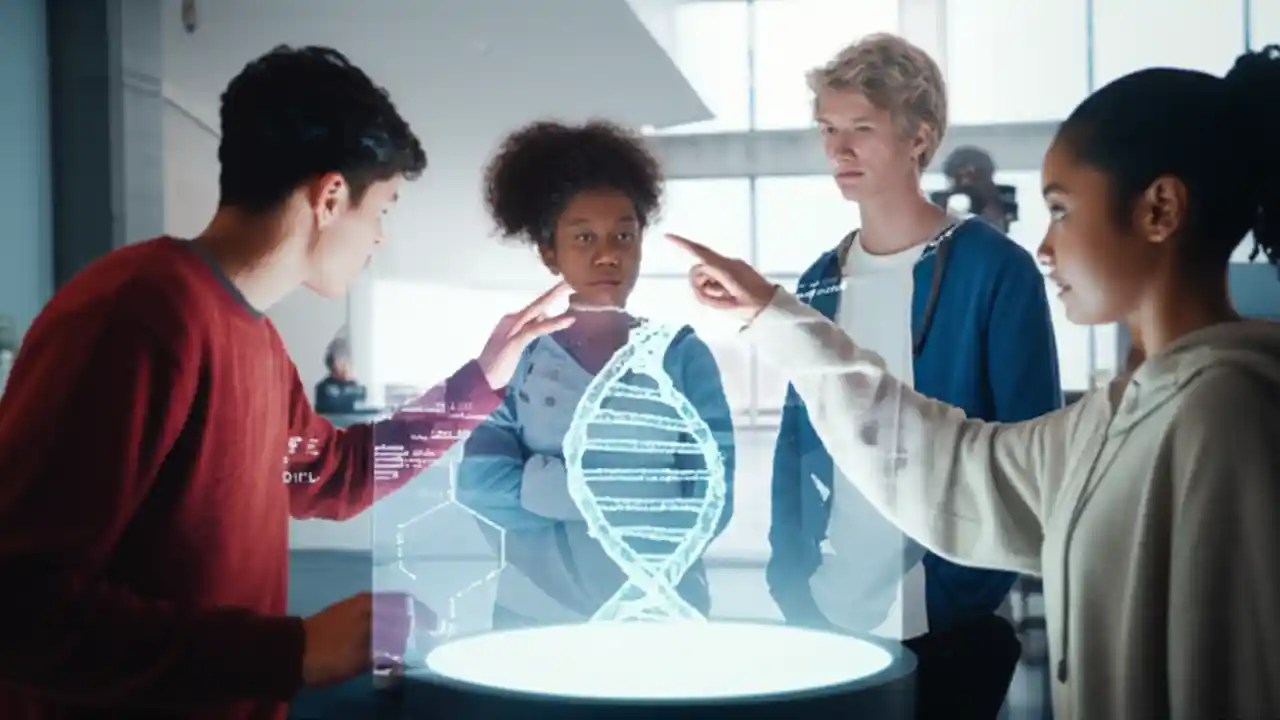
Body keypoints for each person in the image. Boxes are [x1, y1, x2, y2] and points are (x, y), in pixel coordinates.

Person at [670, 44, 1280, 720]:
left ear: (1160, 209)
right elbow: (953, 464)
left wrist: (946, 603)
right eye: (828, 130)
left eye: (1063, 209)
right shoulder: (1125, 414)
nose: (1046, 247)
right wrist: (774, 315)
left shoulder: (1229, 418)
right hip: (837, 614)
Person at [0, 46, 571, 720]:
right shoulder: (138, 314)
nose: (380, 238)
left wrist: (481, 381)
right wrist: (292, 653)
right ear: (331, 197)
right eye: (382, 209)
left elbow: (334, 475)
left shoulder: (257, 343)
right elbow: (20, 607)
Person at [765, 33, 1061, 718]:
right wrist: (791, 579)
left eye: (860, 130)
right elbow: (794, 441)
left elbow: (1030, 452)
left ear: (919, 138)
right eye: (828, 129)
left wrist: (955, 592)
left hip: (947, 623)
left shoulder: (995, 270)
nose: (837, 150)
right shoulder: (819, 279)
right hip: (826, 615)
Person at [455, 120, 736, 628]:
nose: (608, 253)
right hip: (534, 617)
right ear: (548, 251)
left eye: (623, 235)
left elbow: (712, 504)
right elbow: (478, 485)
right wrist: (644, 489)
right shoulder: (520, 359)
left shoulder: (682, 357)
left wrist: (542, 484)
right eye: (583, 236)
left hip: (661, 615)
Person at [936, 145, 1018, 234]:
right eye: (960, 176)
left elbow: (998, 229)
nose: (967, 182)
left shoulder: (1000, 197)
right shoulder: (942, 203)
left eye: (977, 176)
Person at [314, 334, 367, 414]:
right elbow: (331, 408)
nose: (344, 364)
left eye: (346, 359)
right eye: (340, 359)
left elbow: (361, 408)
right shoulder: (323, 387)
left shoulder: (356, 387)